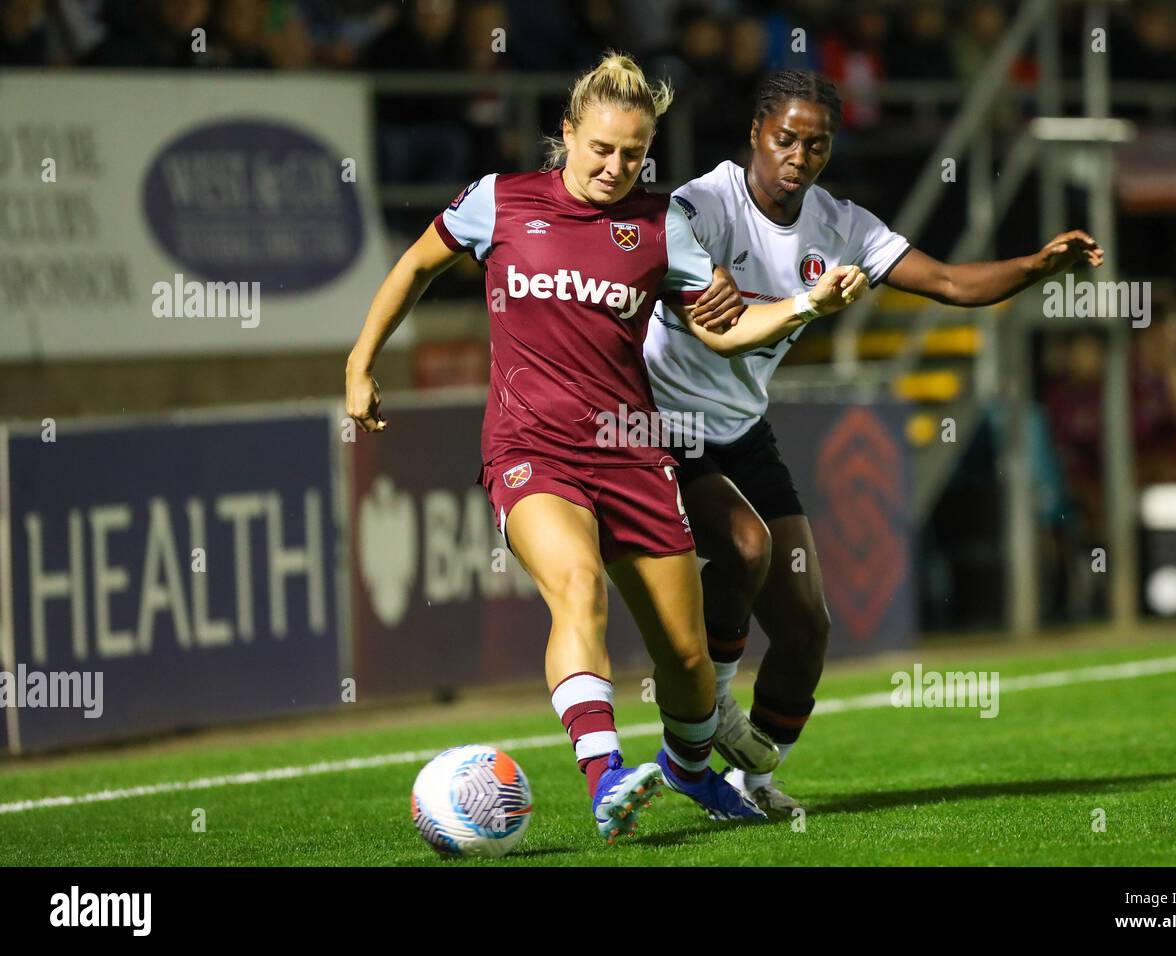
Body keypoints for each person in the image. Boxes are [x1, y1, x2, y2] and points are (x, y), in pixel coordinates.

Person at [345, 54, 866, 843]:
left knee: (688, 664)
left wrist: (803, 304)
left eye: (632, 154)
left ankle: (691, 769)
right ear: (567, 134)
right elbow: (418, 262)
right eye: (601, 149)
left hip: (631, 451)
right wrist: (360, 363)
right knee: (578, 585)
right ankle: (605, 776)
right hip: (532, 448)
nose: (615, 167)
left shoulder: (662, 227)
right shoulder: (500, 202)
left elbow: (724, 331)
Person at [644, 69, 1103, 813]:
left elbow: (951, 283)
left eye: (815, 144)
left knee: (806, 628)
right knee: (747, 548)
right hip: (666, 424)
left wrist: (1036, 267)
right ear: (757, 134)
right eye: (785, 138)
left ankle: (753, 783)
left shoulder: (841, 224)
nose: (798, 154)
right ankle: (709, 718)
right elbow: (683, 297)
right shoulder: (702, 205)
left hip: (742, 427)